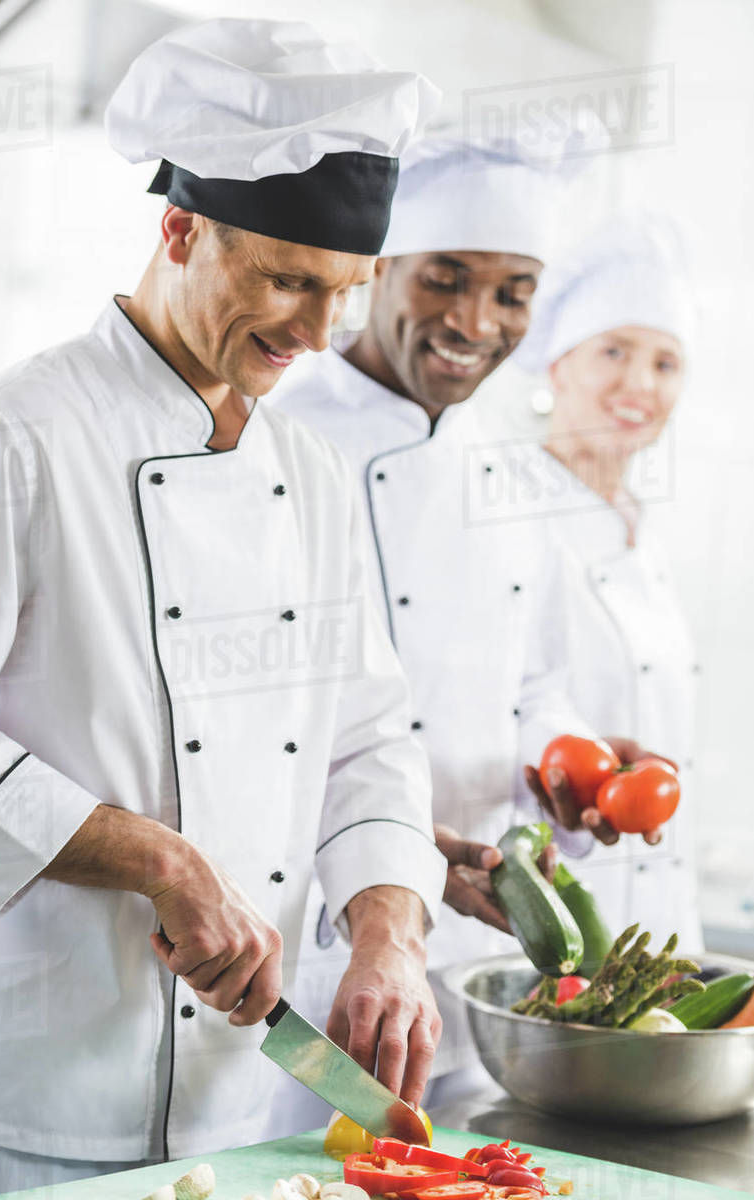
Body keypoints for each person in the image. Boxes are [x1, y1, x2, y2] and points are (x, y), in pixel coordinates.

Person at [0, 21, 449, 1196]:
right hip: (40, 1108)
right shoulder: (21, 432)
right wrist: (160, 858)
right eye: (286, 280)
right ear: (179, 227)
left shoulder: (312, 474)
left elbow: (372, 738)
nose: (315, 339)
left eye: (347, 295)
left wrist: (387, 929)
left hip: (252, 1111)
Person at [267, 130, 651, 1114]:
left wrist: (571, 764)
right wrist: (396, 861)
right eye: (446, 278)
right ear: (381, 270)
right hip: (313, 953)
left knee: (466, 1170)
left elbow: (534, 685)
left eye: (513, 292)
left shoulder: (513, 475)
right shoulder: (277, 437)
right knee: (311, 1167)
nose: (475, 319)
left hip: (484, 951)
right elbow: (247, 715)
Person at [513, 214, 702, 950]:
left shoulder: (646, 532)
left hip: (658, 922)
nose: (638, 384)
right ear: (558, 364)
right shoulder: (512, 513)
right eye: (614, 351)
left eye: (664, 363)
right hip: (549, 916)